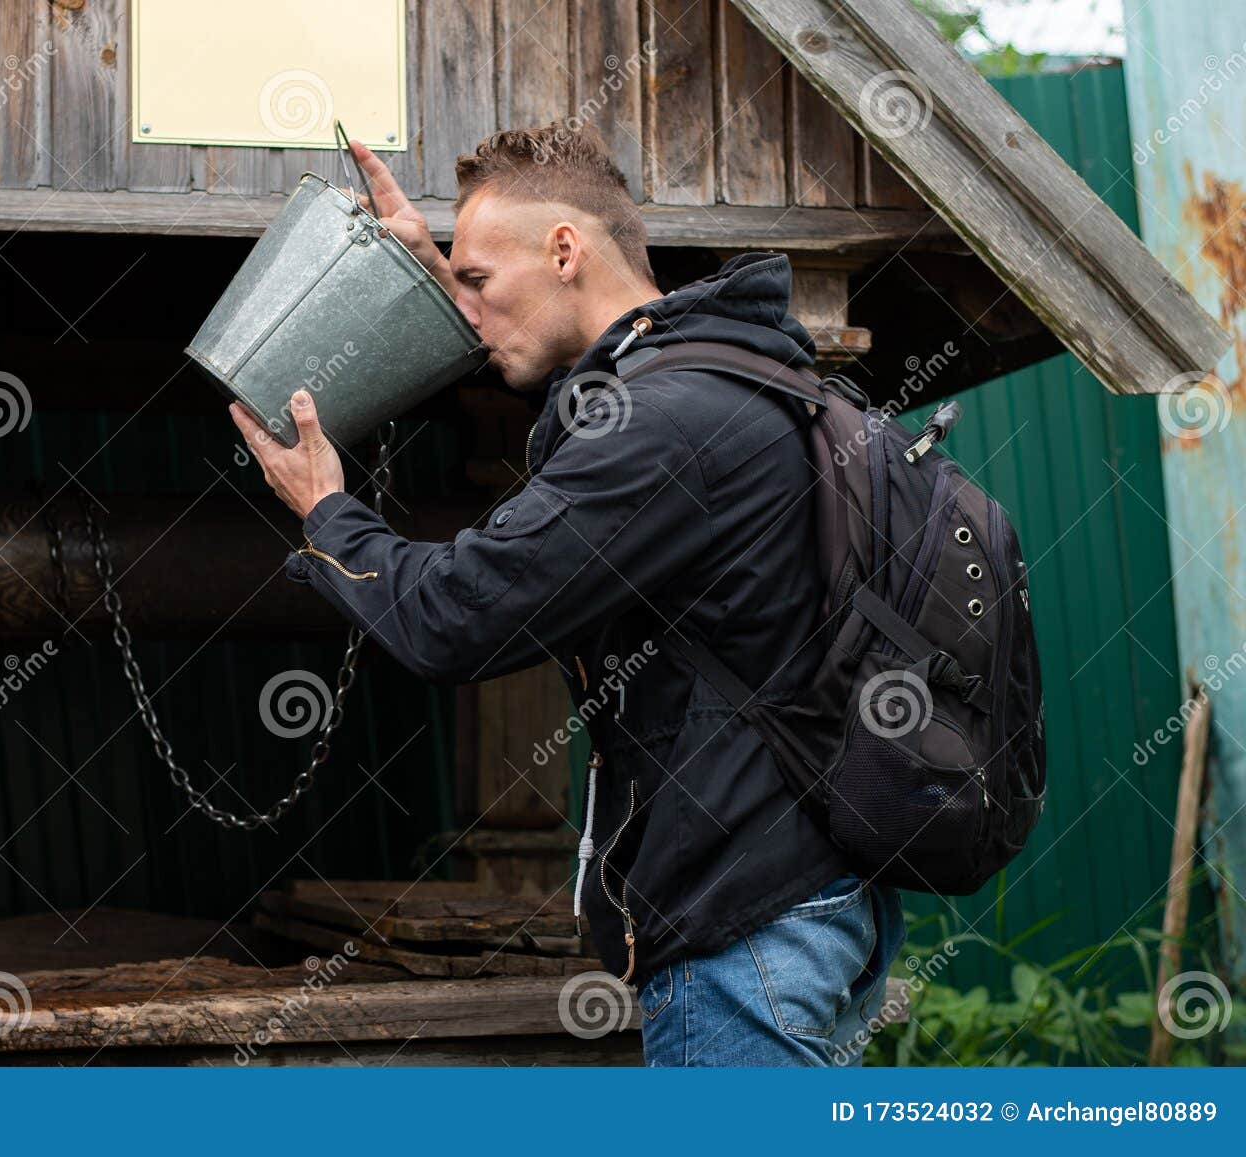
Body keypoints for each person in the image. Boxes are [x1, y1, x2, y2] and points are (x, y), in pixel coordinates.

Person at [229, 122, 906, 1067]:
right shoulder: (737, 379)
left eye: (476, 283)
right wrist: (440, 284)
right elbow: (592, 451)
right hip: (806, 903)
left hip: (747, 932)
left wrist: (330, 512)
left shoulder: (668, 425)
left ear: (563, 250)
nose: (468, 309)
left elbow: (456, 615)